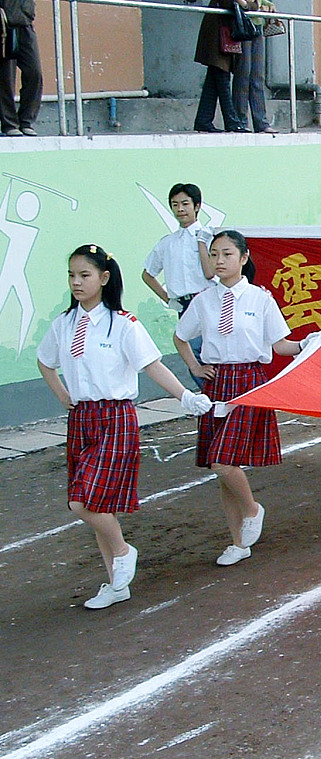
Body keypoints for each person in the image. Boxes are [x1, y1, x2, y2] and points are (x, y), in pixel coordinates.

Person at [37, 245, 211, 609]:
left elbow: (152, 365)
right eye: (71, 275)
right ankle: (117, 582)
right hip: (81, 418)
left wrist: (185, 397)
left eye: (84, 275)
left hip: (115, 417)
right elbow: (45, 361)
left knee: (81, 503)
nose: (76, 282)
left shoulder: (123, 323)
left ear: (104, 278)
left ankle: (122, 550)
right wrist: (62, 396)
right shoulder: (63, 324)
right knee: (97, 503)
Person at [173, 230, 302, 566]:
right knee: (222, 466)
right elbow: (180, 336)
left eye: (227, 254)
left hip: (250, 383)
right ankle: (237, 542)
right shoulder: (203, 301)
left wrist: (307, 344)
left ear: (244, 258)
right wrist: (195, 367)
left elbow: (280, 346)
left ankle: (252, 509)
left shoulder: (261, 300)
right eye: (214, 254)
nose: (219, 261)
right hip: (217, 382)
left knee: (223, 461)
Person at [141, 183, 217, 386]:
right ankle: (213, 398)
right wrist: (169, 299)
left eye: (185, 204)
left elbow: (212, 273)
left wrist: (203, 243)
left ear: (197, 206)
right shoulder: (168, 243)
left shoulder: (208, 236)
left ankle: (219, 398)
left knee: (210, 352)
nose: (180, 209)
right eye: (175, 205)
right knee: (191, 354)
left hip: (208, 301)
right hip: (183, 306)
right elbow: (148, 274)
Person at [193, 0, 264, 133]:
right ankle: (232, 121)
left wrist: (247, 3)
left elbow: (253, 4)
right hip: (218, 33)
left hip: (223, 32)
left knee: (214, 79)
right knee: (221, 78)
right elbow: (230, 1)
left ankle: (203, 120)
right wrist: (246, 3)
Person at [0, 0, 47, 137]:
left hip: (25, 24)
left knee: (34, 73)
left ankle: (26, 121)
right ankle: (9, 125)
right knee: (5, 79)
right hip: (4, 25)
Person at [229, 0, 275, 134]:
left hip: (256, 28)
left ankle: (260, 121)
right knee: (243, 75)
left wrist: (268, 5)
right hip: (244, 29)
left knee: (257, 76)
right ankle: (240, 119)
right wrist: (251, 6)